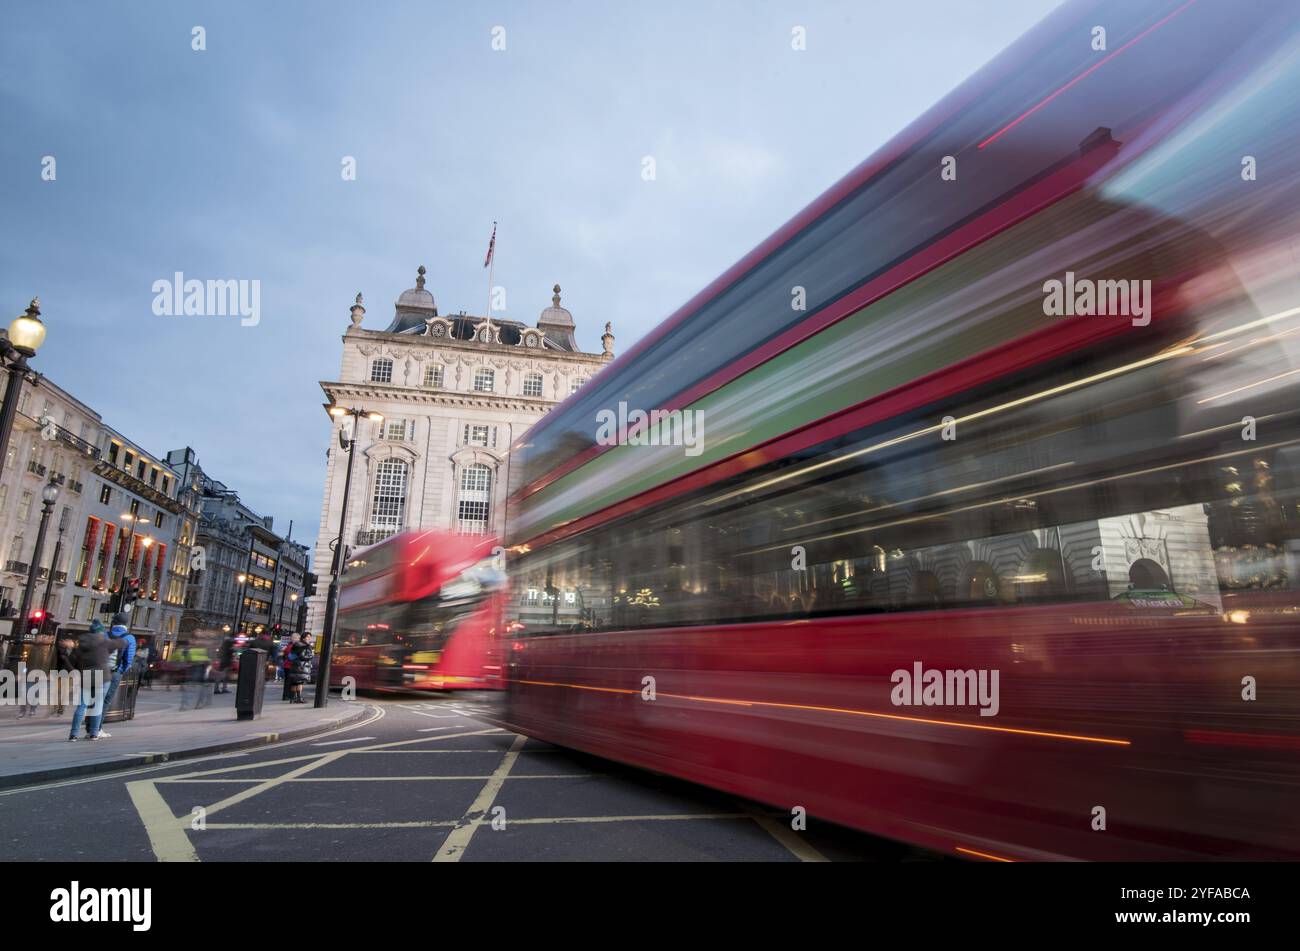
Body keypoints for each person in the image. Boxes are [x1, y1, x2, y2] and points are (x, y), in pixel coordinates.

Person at [68, 620, 128, 741]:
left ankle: (73, 735)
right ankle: (94, 733)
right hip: (102, 676)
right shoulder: (105, 642)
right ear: (101, 632)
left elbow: (75, 660)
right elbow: (123, 642)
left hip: (86, 676)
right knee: (98, 705)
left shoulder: (81, 644)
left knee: (82, 706)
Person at [96, 613, 136, 738]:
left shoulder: (104, 635)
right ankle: (97, 729)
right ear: (126, 623)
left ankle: (91, 729)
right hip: (114, 672)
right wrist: (120, 670)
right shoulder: (130, 638)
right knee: (106, 700)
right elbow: (128, 659)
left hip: (98, 670)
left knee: (95, 699)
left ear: (114, 623)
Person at [48, 633, 77, 717]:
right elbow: (55, 662)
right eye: (67, 641)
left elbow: (78, 664)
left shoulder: (76, 652)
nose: (68, 642)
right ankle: (54, 708)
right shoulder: (60, 650)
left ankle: (61, 709)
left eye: (70, 641)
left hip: (70, 675)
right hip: (59, 673)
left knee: (65, 693)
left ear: (73, 643)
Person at [286, 632, 314, 704]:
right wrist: (311, 656)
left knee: (294, 683)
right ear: (304, 637)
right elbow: (303, 656)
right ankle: (299, 698)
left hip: (294, 665)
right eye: (308, 636)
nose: (309, 638)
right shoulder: (305, 645)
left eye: (310, 637)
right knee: (299, 682)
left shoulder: (296, 644)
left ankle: (292, 699)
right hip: (301, 666)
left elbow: (291, 655)